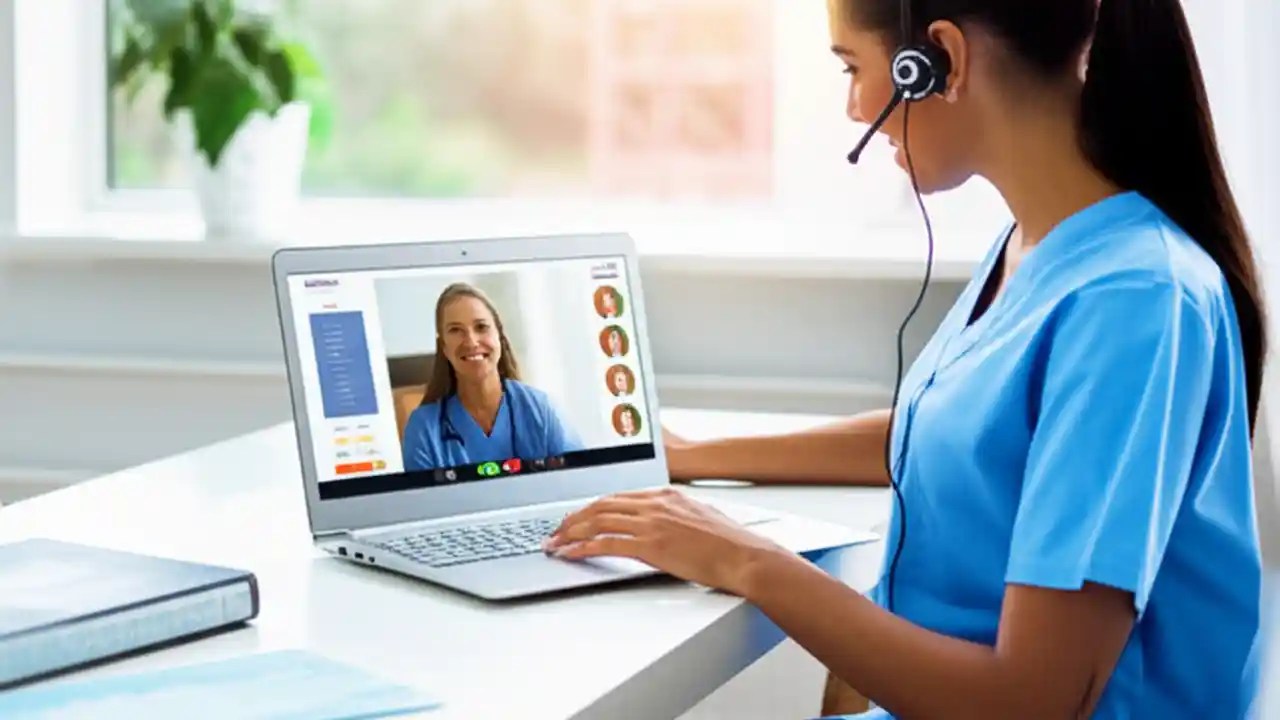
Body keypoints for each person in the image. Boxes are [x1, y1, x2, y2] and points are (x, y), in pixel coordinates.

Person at [545, 1, 1267, 717]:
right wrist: (695, 456)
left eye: (854, 67)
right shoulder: (1034, 245)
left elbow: (1033, 703)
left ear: (939, 61)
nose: (857, 107)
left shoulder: (1134, 300)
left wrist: (745, 561)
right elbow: (960, 431)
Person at [402, 283, 584, 471]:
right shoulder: (423, 429)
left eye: (481, 327)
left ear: (500, 337)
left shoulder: (541, 410)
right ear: (444, 348)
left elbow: (578, 483)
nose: (471, 341)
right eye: (455, 330)